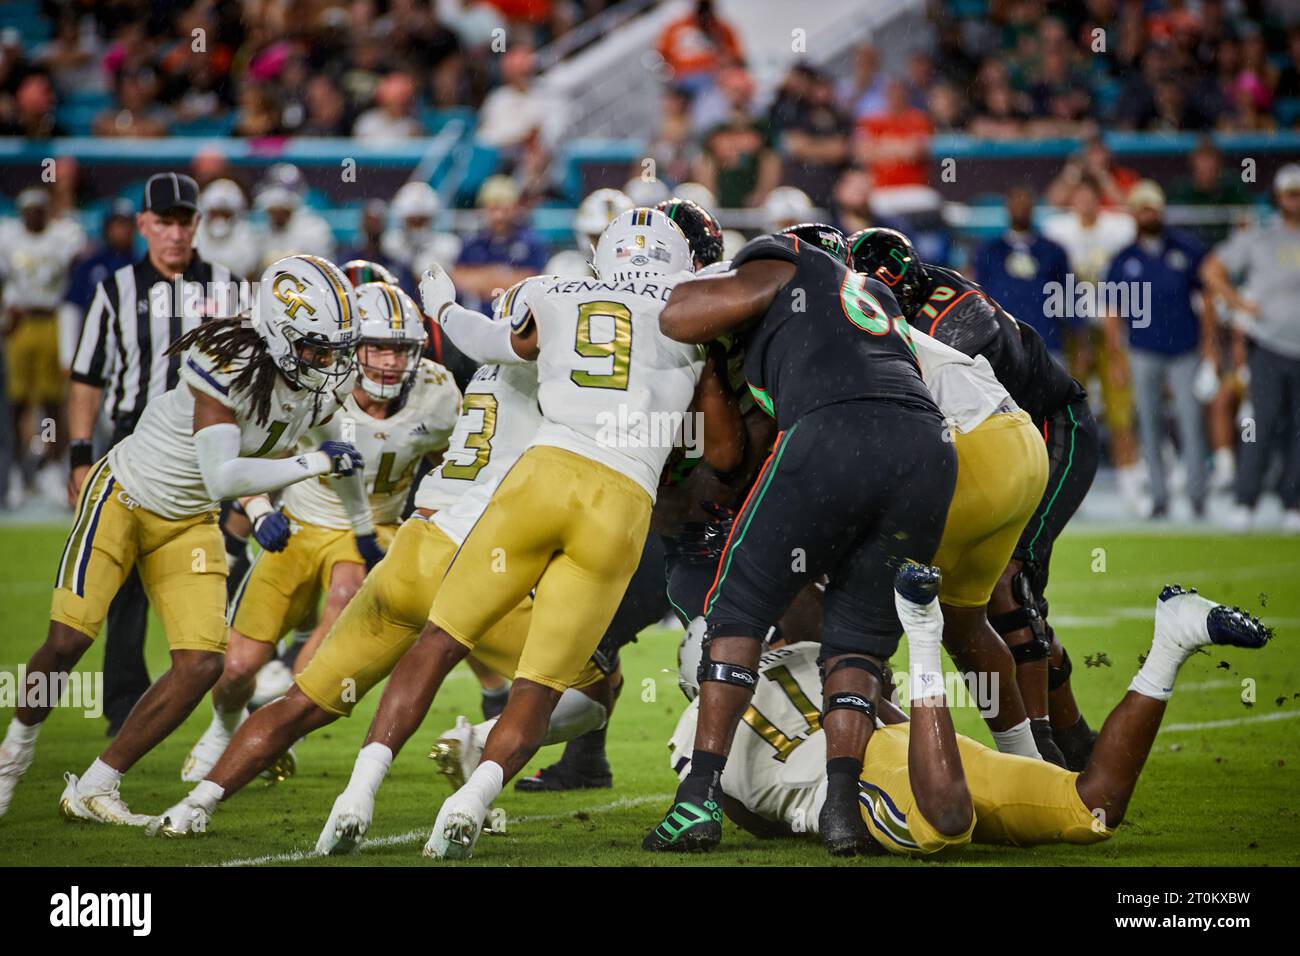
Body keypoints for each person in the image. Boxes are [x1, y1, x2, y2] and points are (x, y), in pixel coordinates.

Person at [420, 208, 740, 859]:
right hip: (664, 521)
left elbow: (502, 345)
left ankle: (698, 787)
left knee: (670, 662)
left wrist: (448, 310)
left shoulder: (583, 293)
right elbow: (724, 448)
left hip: (664, 520)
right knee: (604, 661)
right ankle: (591, 765)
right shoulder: (709, 314)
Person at [0, 254, 366, 823]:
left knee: (200, 664)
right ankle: (12, 756)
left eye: (334, 350)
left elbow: (262, 452)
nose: (327, 363)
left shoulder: (315, 388)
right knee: (70, 639)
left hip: (189, 519)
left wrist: (307, 507)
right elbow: (224, 472)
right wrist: (314, 462)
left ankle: (96, 786)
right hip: (125, 496)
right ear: (275, 328)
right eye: (316, 348)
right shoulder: (225, 361)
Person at [643, 223, 956, 856]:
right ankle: (842, 805)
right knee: (859, 635)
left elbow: (679, 317)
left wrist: (694, 292)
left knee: (740, 604)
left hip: (839, 428)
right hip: (929, 450)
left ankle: (697, 796)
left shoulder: (784, 260)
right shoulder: (874, 301)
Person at [669, 565, 1271, 857]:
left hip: (882, 779)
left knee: (945, 824)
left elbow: (750, 816)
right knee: (1092, 808)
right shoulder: (813, 653)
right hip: (921, 754)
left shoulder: (693, 731)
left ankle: (925, 631)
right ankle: (1169, 641)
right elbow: (892, 719)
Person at [179, 281, 460, 783]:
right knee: (237, 668)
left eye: (403, 349)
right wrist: (261, 510)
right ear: (353, 347)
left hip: (377, 528)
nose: (393, 362)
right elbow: (251, 459)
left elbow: (453, 471)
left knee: (349, 589)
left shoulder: (438, 395)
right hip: (302, 525)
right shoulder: (314, 381)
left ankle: (281, 719)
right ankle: (226, 726)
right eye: (379, 347)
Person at [849, 227, 1099, 769]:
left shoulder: (953, 321)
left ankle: (1043, 748)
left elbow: (915, 412)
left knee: (1012, 581)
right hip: (992, 443)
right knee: (982, 603)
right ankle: (1073, 735)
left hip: (1050, 428)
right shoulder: (911, 300)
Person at [66, 173, 242, 736]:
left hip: (206, 449)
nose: (174, 233)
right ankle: (123, 707)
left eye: (183, 221)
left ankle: (223, 694)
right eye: (163, 222)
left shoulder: (228, 288)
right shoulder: (114, 289)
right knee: (120, 588)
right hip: (132, 445)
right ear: (143, 225)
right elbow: (88, 377)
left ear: (198, 224)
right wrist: (77, 453)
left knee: (219, 567)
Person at [1103, 181, 1211, 519]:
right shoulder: (1124, 259)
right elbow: (1112, 313)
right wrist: (1116, 357)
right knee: (1147, 424)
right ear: (1134, 213)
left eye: (1153, 207)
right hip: (1143, 349)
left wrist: (1210, 348)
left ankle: (1197, 495)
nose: (1148, 213)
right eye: (1142, 208)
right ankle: (1160, 496)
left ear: (1161, 211)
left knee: (1191, 422)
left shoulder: (1187, 249)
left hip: (1185, 348)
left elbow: (1207, 300)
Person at [1202, 163, 1300, 533]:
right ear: (1278, 198)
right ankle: (1246, 500)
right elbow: (1212, 269)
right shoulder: (1261, 238)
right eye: (1290, 193)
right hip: (1269, 345)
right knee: (1261, 424)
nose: (1296, 200)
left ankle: (1294, 503)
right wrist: (1238, 303)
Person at [1042, 174, 1143, 510]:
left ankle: (1131, 483)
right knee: (1070, 414)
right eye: (1078, 197)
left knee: (1119, 409)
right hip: (1072, 330)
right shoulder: (1058, 231)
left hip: (1113, 327)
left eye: (1090, 197)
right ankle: (1070, 486)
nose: (1084, 204)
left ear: (1099, 199)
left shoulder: (1120, 227)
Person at [0, 187, 86, 499]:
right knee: (17, 401)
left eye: (39, 209)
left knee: (51, 400)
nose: (34, 215)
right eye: (29, 209)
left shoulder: (61, 237)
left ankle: (51, 468)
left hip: (52, 318)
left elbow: (80, 259)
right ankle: (14, 471)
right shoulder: (9, 238)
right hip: (21, 324)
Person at [973, 187, 1074, 364]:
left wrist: (1079, 335)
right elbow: (979, 295)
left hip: (1047, 339)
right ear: (1007, 207)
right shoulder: (989, 251)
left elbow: (1070, 293)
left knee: (1052, 391)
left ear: (1033, 208)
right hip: (1002, 342)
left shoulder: (1053, 251)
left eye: (1025, 203)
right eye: (1016, 203)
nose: (1020, 208)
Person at [451, 176, 549, 314]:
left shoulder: (532, 242)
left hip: (519, 321)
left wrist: (482, 279)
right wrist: (503, 277)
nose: (499, 216)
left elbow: (536, 281)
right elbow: (458, 279)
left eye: (505, 209)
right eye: (493, 209)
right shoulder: (472, 243)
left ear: (515, 208)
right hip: (479, 318)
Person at [195, 178, 260, 279]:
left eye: (225, 214)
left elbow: (249, 275)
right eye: (215, 213)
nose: (219, 219)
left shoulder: (246, 236)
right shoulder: (196, 233)